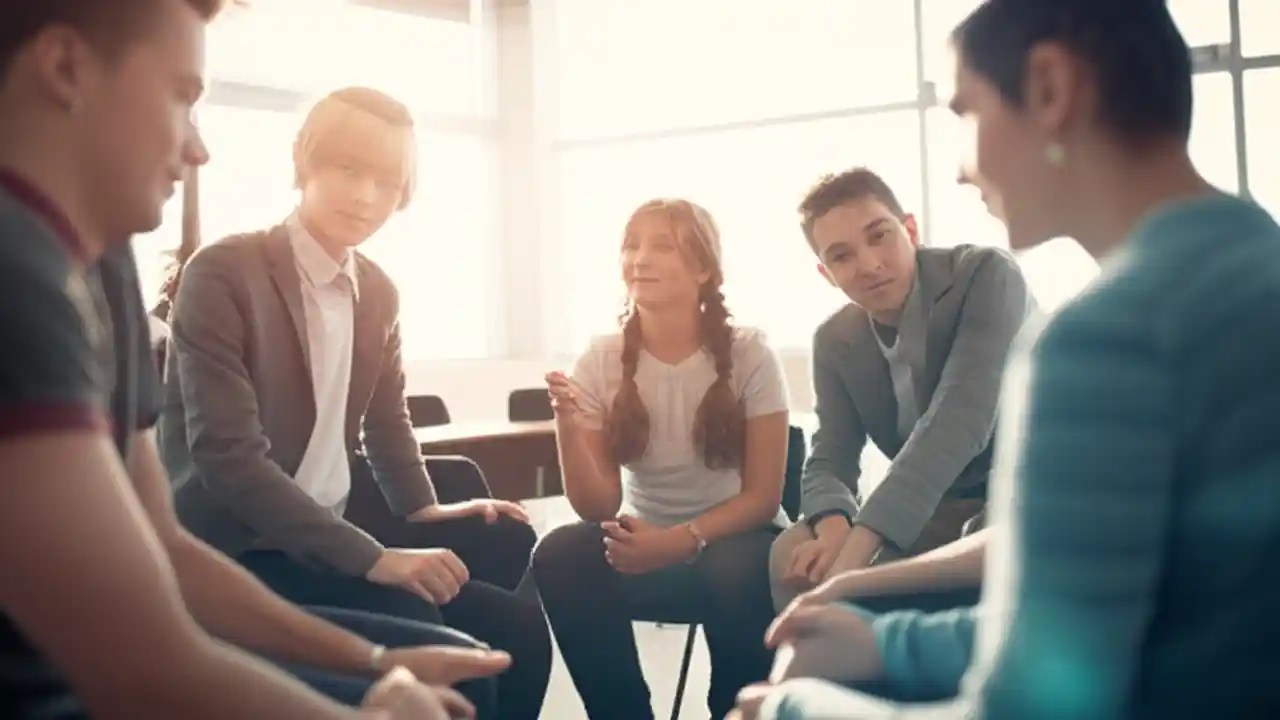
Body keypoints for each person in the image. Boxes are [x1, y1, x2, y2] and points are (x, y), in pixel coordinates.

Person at [736, 1, 1280, 718]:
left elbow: (1031, 706)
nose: (963, 169)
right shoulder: (1253, 268)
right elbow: (1142, 611)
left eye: (967, 114)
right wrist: (887, 643)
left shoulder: (1106, 339)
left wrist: (791, 710)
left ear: (1051, 91)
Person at [0, 1, 475, 718]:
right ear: (66, 68)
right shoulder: (20, 272)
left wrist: (379, 662)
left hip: (141, 638)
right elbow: (139, 655)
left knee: (463, 658)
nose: (199, 149)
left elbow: (166, 556)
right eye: (182, 97)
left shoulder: (106, 270)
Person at [161, 86, 551, 719]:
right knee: (438, 638)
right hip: (245, 550)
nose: (366, 195)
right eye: (348, 169)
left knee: (518, 626)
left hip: (334, 526)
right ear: (305, 163)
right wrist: (376, 559)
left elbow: (387, 421)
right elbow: (229, 461)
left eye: (386, 181)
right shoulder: (224, 272)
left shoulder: (378, 291)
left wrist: (426, 512)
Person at [532, 198, 791, 719]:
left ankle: (736, 713)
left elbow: (763, 500)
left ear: (703, 269)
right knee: (560, 552)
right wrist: (566, 421)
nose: (639, 259)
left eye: (661, 246)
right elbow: (597, 504)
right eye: (632, 245)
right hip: (642, 546)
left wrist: (678, 541)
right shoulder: (600, 359)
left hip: (734, 543)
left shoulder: (751, 354)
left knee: (736, 563)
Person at [769, 167, 1031, 610]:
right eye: (842, 256)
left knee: (861, 575)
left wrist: (851, 559)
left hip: (1019, 491)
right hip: (935, 507)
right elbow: (831, 452)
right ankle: (806, 677)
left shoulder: (985, 276)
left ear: (911, 229)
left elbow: (958, 420)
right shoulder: (834, 339)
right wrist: (834, 528)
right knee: (790, 553)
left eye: (879, 236)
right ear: (826, 273)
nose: (869, 265)